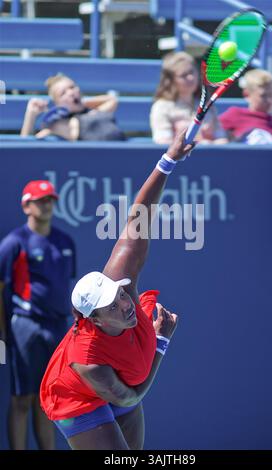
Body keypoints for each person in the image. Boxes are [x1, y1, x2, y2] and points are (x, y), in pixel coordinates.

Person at [40, 130, 194, 450]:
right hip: (75, 399)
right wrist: (161, 342)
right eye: (112, 306)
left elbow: (138, 218)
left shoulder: (122, 285)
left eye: (121, 294)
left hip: (122, 378)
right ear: (95, 320)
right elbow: (134, 393)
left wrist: (168, 161)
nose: (125, 304)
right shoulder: (89, 361)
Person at [0, 180, 76, 450]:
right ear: (26, 205)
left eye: (50, 200)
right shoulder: (13, 243)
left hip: (57, 328)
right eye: (41, 200)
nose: (47, 205)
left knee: (48, 399)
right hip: (24, 327)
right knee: (22, 398)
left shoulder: (65, 241)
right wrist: (1, 336)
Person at [150, 51, 227, 145]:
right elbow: (163, 143)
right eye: (183, 75)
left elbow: (221, 138)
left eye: (191, 72)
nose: (190, 78)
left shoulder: (207, 104)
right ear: (171, 80)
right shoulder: (161, 107)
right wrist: (200, 145)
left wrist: (209, 146)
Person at [20, 74, 126, 141]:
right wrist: (31, 115)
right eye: (63, 93)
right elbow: (25, 146)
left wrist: (83, 102)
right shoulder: (59, 125)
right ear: (57, 104)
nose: (70, 92)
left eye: (72, 87)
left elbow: (112, 100)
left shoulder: (95, 112)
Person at [219, 69, 272, 144]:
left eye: (271, 95)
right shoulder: (235, 114)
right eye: (263, 96)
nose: (269, 100)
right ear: (247, 95)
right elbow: (213, 134)